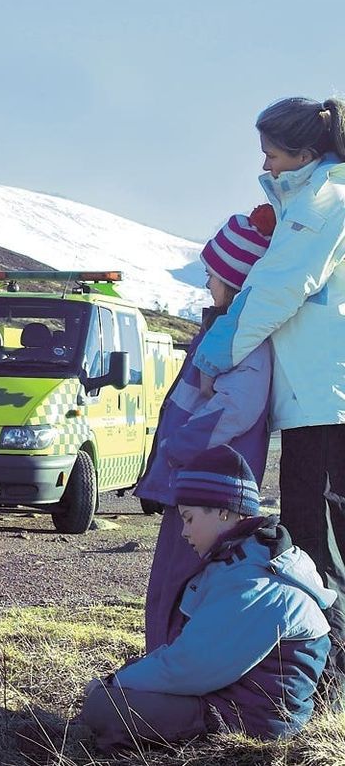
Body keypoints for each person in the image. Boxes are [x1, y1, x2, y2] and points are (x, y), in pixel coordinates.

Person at [192, 97, 345, 700]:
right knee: (323, 531)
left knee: (319, 537)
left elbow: (280, 286)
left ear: (306, 154)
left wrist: (217, 351)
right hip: (325, 394)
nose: (267, 163)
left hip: (326, 399)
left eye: (274, 153)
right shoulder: (316, 195)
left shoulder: (322, 199)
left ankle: (328, 679)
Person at [82, 445, 336, 754]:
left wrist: (116, 682)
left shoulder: (255, 582)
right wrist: (128, 676)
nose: (184, 533)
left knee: (102, 706)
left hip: (248, 723)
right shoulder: (248, 562)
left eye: (188, 519)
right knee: (118, 695)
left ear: (223, 511)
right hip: (233, 705)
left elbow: (189, 667)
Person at [135, 207, 274, 650]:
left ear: (234, 282)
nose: (205, 282)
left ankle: (167, 676)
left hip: (207, 484)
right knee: (171, 586)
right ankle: (160, 670)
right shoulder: (225, 331)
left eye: (212, 274)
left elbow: (236, 406)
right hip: (198, 482)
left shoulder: (242, 334)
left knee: (183, 587)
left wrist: (177, 449)